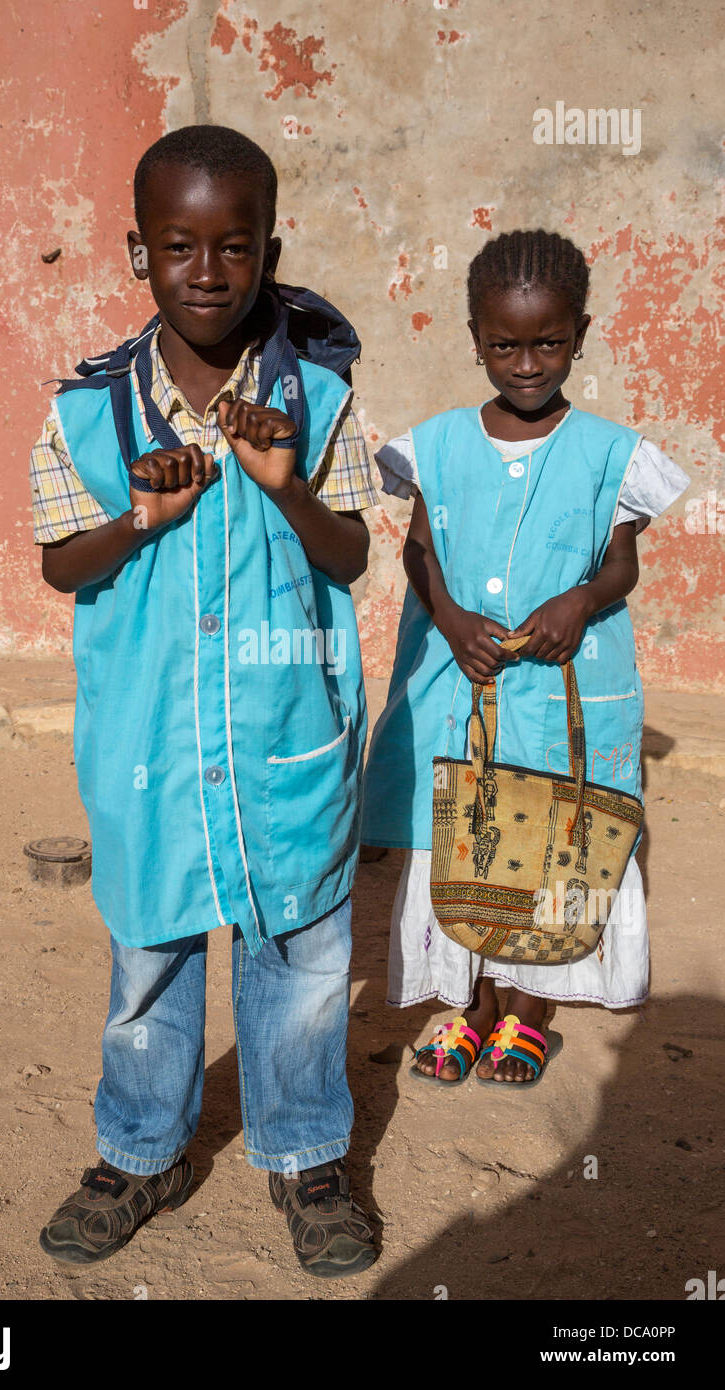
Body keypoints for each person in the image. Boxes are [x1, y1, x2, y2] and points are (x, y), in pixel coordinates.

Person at [29, 124, 379, 1275]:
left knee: (300, 954)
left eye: (236, 245)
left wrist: (283, 488)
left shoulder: (318, 403)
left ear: (269, 247)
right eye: (179, 245)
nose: (209, 271)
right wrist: (139, 518)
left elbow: (348, 560)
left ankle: (306, 1152)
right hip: (150, 751)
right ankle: (141, 1149)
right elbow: (56, 564)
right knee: (151, 956)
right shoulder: (88, 412)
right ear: (140, 251)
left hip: (285, 745)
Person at [362, 229, 689, 1086]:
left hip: (563, 685)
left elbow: (623, 561)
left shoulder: (612, 450)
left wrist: (582, 600)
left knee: (550, 842)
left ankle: (531, 1008)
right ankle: (468, 1007)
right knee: (465, 835)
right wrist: (452, 616)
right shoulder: (432, 445)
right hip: (461, 678)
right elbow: (417, 549)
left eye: (549, 342)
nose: (528, 363)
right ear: (475, 338)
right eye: (504, 344)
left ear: (581, 334)